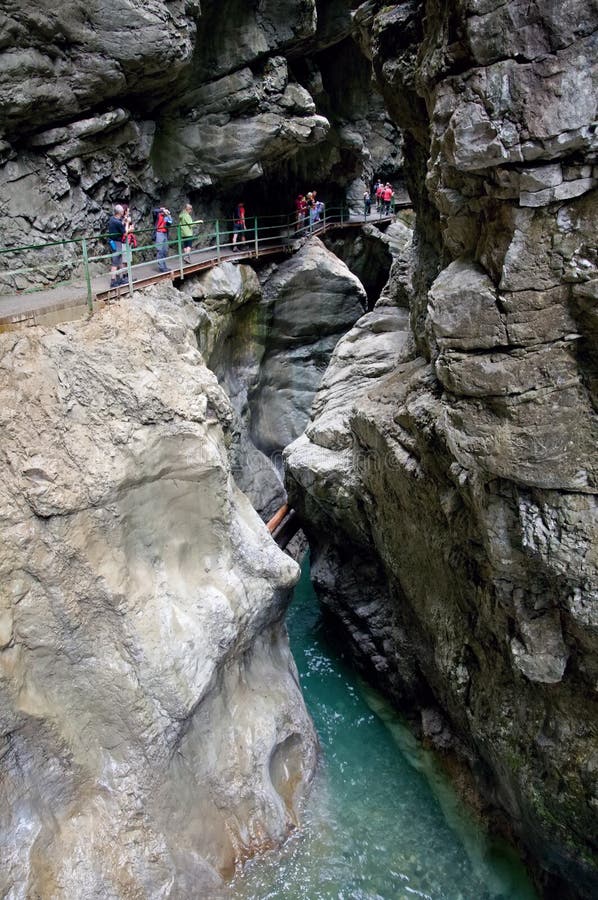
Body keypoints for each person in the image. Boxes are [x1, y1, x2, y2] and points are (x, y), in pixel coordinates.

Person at [107, 203, 129, 288]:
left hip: (112, 242)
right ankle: (113, 281)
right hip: (117, 243)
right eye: (123, 212)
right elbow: (125, 233)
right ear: (120, 213)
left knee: (119, 261)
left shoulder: (112, 219)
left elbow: (118, 225)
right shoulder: (118, 223)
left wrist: (123, 221)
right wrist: (127, 223)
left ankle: (119, 279)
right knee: (115, 262)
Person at [153, 205, 172, 272]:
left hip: (165, 233)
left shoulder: (166, 216)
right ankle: (161, 267)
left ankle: (164, 266)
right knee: (160, 250)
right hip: (159, 233)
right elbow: (154, 211)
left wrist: (168, 215)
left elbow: (170, 224)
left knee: (165, 250)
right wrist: (162, 210)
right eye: (162, 209)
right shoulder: (157, 214)